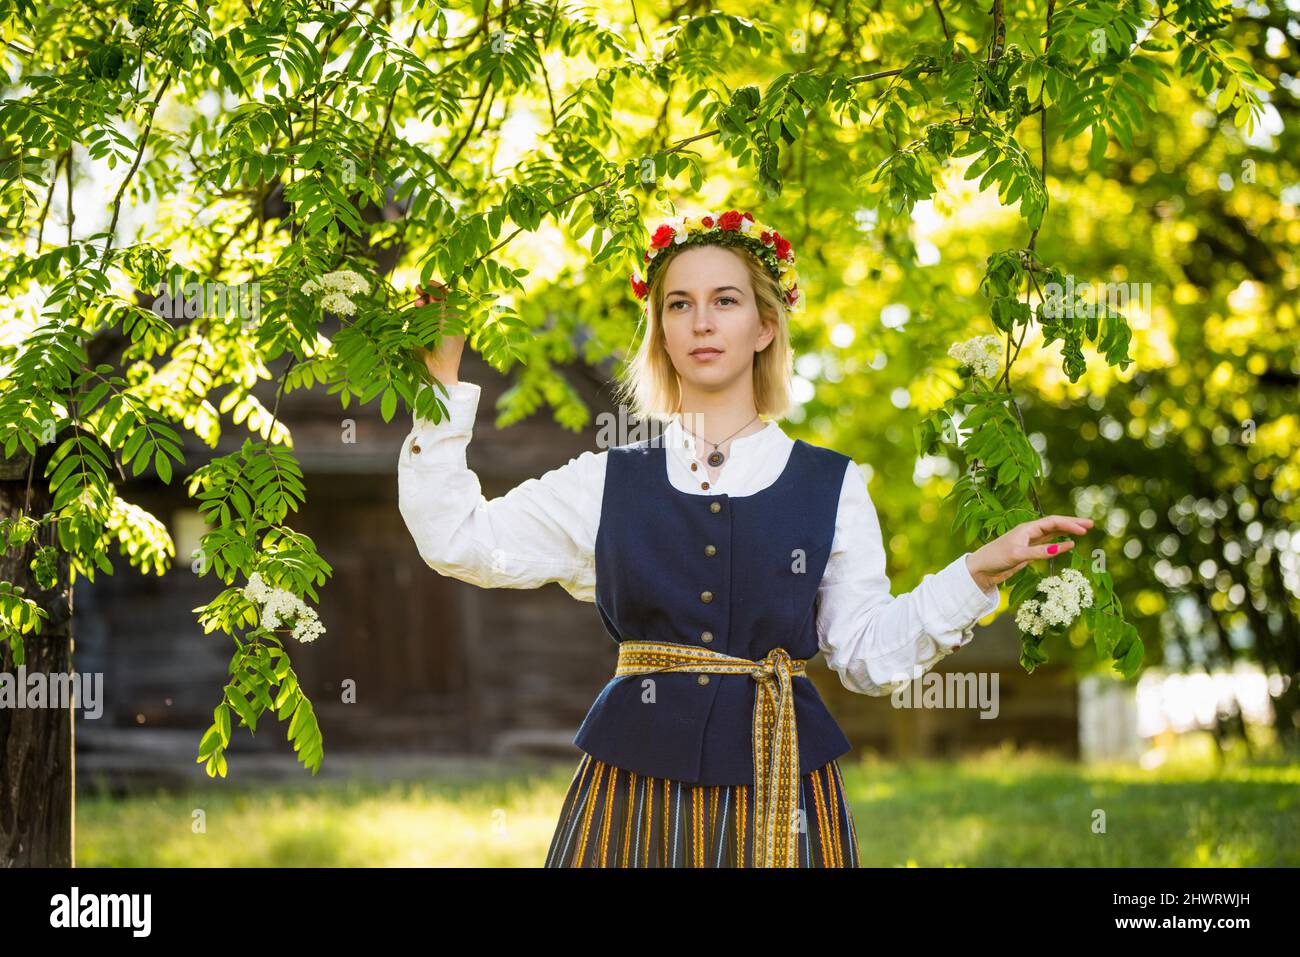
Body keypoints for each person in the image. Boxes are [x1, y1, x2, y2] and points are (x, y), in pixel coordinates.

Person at [397, 208, 1094, 867]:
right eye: (679, 304)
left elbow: (866, 655)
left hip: (782, 786)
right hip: (633, 795)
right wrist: (441, 383)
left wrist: (976, 572)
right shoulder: (608, 481)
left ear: (765, 324)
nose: (701, 322)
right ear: (661, 331)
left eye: (725, 301)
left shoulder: (832, 484)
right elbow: (461, 539)